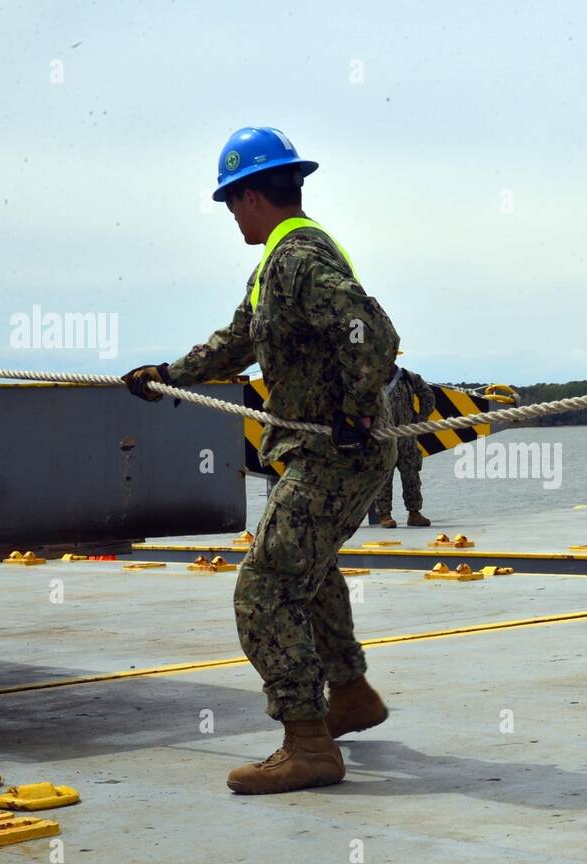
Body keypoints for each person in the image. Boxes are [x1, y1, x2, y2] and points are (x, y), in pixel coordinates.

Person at [122, 126, 398, 794]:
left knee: (263, 587)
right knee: (313, 570)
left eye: (229, 202)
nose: (229, 216)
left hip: (336, 452)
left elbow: (374, 333)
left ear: (250, 195)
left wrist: (358, 411)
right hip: (327, 449)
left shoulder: (299, 260)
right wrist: (171, 374)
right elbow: (239, 339)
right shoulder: (277, 263)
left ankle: (307, 742)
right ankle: (351, 693)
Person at [373, 358, 437, 527]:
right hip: (383, 438)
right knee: (384, 478)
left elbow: (428, 395)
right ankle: (385, 515)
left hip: (407, 436)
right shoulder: (372, 378)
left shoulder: (409, 378)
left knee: (411, 475)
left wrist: (421, 419)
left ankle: (414, 513)